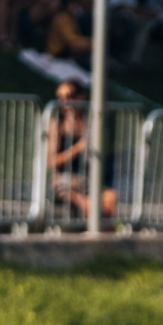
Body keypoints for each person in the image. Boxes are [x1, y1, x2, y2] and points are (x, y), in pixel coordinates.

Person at [45, 79, 113, 220]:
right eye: (60, 97)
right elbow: (51, 162)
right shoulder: (57, 123)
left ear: (82, 96)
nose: (64, 101)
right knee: (91, 206)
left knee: (110, 198)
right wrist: (78, 147)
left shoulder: (90, 122)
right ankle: (97, 237)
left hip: (87, 180)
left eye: (68, 96)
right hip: (62, 182)